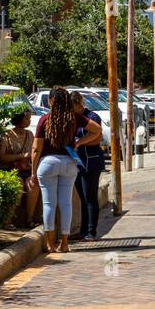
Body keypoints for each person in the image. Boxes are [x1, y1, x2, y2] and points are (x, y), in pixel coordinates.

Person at [30, 87, 101, 253]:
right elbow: (97, 129)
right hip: (69, 163)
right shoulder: (75, 118)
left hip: (48, 163)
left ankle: (49, 244)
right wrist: (79, 142)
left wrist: (33, 172)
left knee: (49, 203)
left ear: (50, 102)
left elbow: (36, 148)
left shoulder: (44, 120)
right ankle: (64, 244)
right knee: (65, 203)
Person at [70, 91, 105, 241]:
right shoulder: (72, 118)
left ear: (79, 104)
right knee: (82, 197)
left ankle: (91, 231)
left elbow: (97, 138)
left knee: (90, 196)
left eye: (73, 107)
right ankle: (83, 230)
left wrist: (79, 143)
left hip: (91, 160)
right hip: (77, 161)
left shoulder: (91, 117)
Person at [0, 108, 37, 226]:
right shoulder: (7, 135)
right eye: (26, 118)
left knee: (33, 184)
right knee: (17, 182)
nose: (29, 121)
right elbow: (2, 157)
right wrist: (21, 156)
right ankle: (8, 220)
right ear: (19, 119)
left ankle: (30, 219)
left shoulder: (30, 134)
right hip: (9, 169)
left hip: (26, 169)